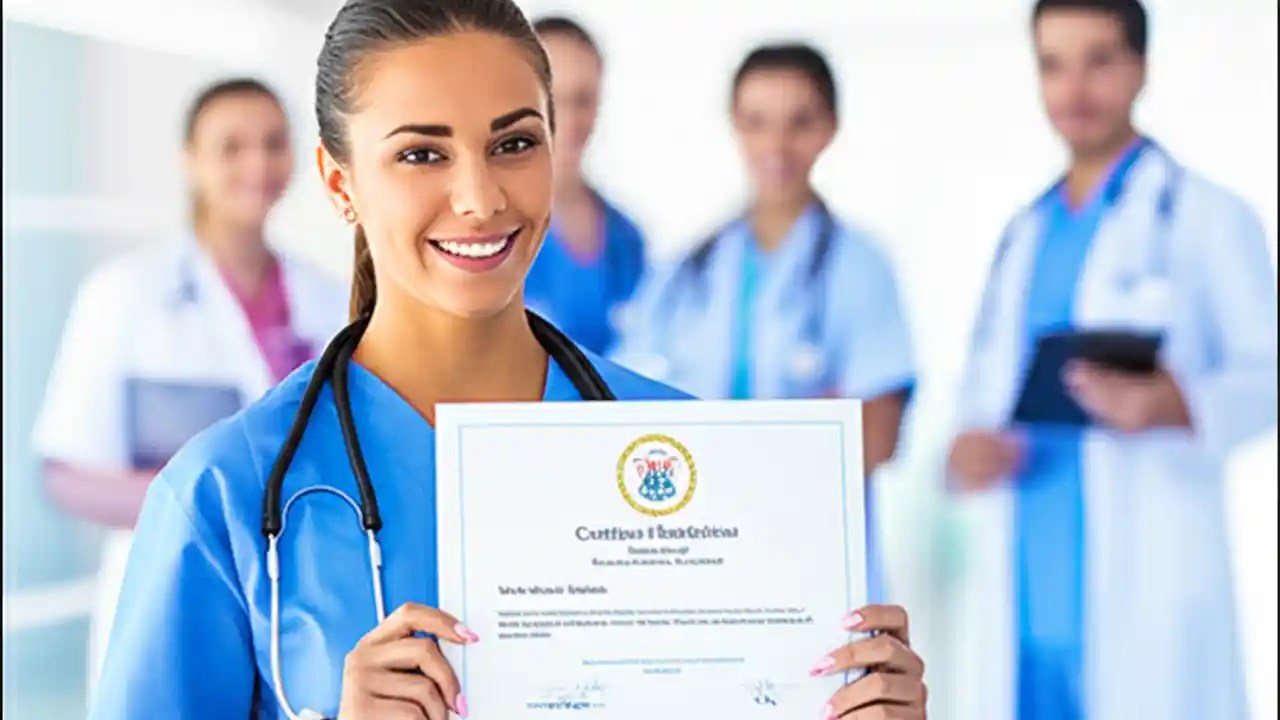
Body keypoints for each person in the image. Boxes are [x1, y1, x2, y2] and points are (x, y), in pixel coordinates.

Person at [89, 2, 927, 719]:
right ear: (339, 183)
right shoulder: (224, 493)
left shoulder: (682, 454)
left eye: (514, 144)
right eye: (422, 153)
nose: (482, 197)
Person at [945, 1, 1277, 719]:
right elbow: (982, 386)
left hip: (1147, 567)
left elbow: (1268, 375)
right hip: (1028, 573)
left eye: (1099, 60)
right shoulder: (1023, 232)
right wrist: (965, 450)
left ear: (1141, 67)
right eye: (1053, 65)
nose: (1075, 89)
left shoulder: (1205, 216)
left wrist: (1174, 402)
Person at [33, 77, 346, 699]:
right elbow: (64, 472)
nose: (257, 163)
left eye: (272, 143)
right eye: (231, 146)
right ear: (189, 160)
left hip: (296, 589)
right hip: (163, 582)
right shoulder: (123, 295)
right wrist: (201, 501)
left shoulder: (328, 299)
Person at [612, 43, 916, 474]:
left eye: (800, 123)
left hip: (810, 521)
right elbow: (620, 403)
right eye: (757, 122)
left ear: (830, 128)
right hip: (699, 518)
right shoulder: (685, 270)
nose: (776, 144)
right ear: (735, 125)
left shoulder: (860, 266)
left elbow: (879, 435)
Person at [522, 15, 647, 355]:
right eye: (552, 99)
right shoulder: (484, 230)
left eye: (582, 99)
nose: (569, 119)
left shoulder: (627, 240)